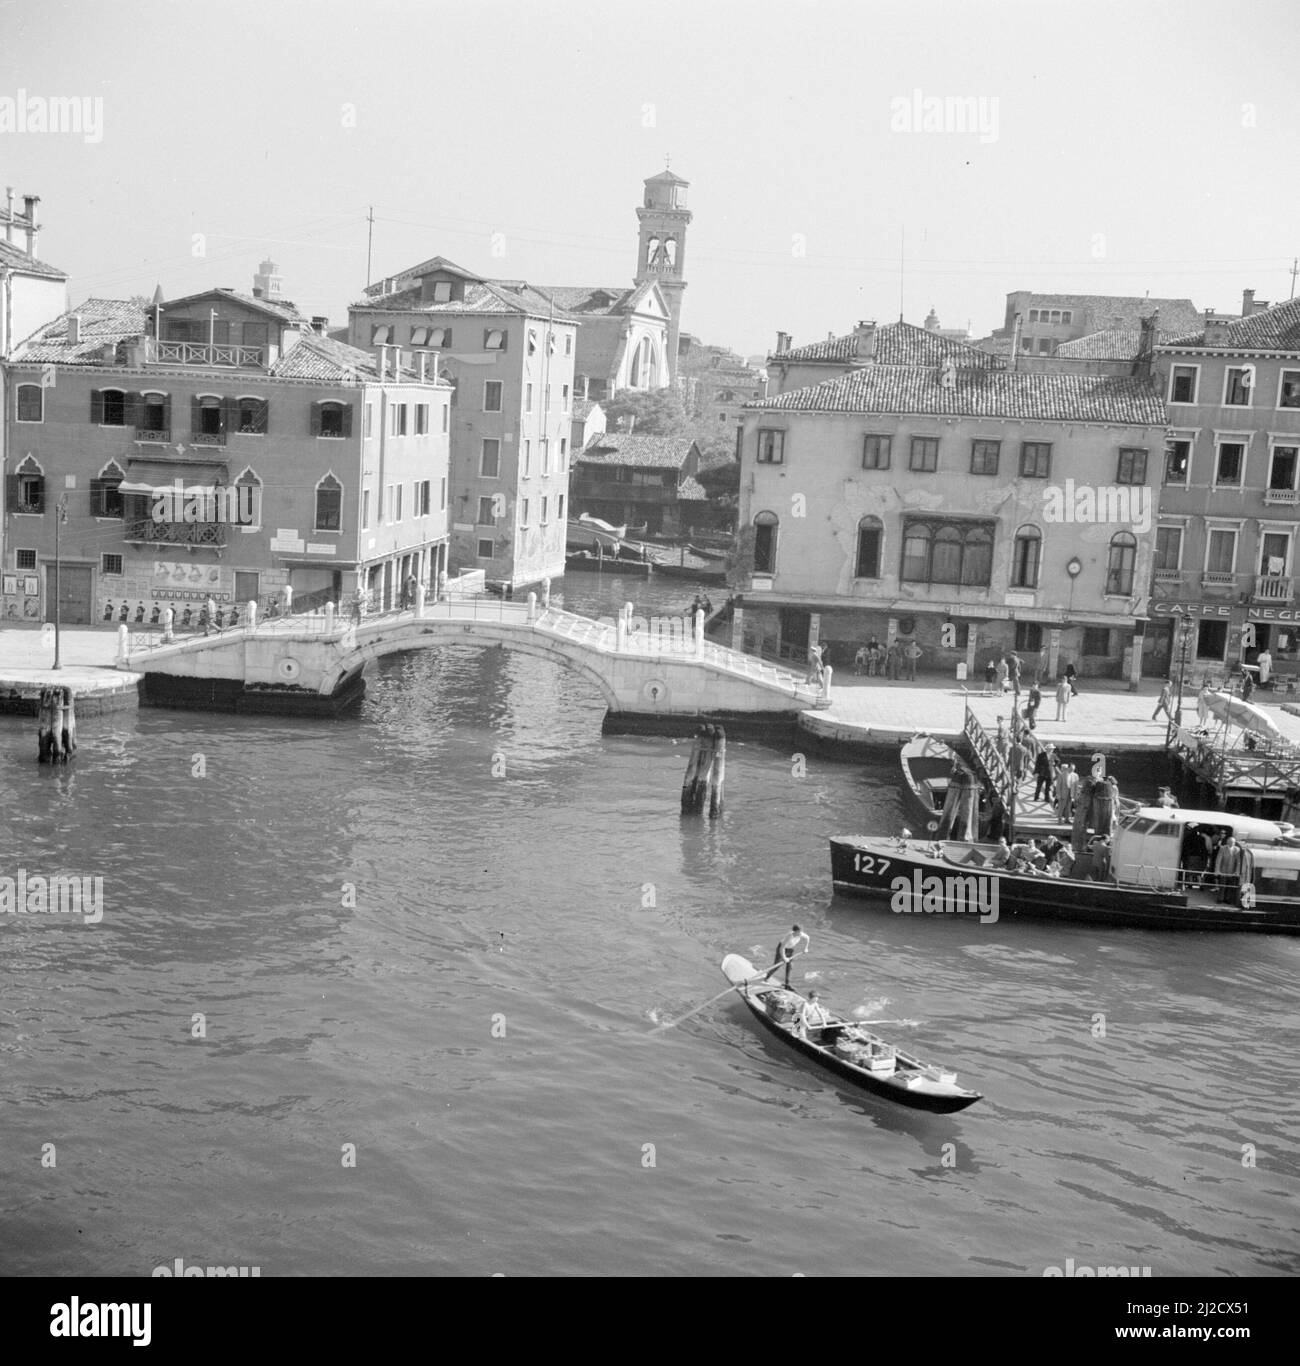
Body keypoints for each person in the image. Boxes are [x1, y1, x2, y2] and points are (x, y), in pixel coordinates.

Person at [1214, 835, 1244, 904]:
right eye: (1230, 842)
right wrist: (1217, 870)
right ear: (1227, 842)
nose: (1231, 843)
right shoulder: (1222, 848)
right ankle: (1220, 899)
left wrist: (1237, 871)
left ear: (1234, 843)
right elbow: (1218, 859)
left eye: (1233, 842)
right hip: (1223, 871)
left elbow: (1238, 862)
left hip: (1232, 871)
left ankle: (1227, 899)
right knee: (1222, 886)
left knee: (1229, 886)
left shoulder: (1237, 849)